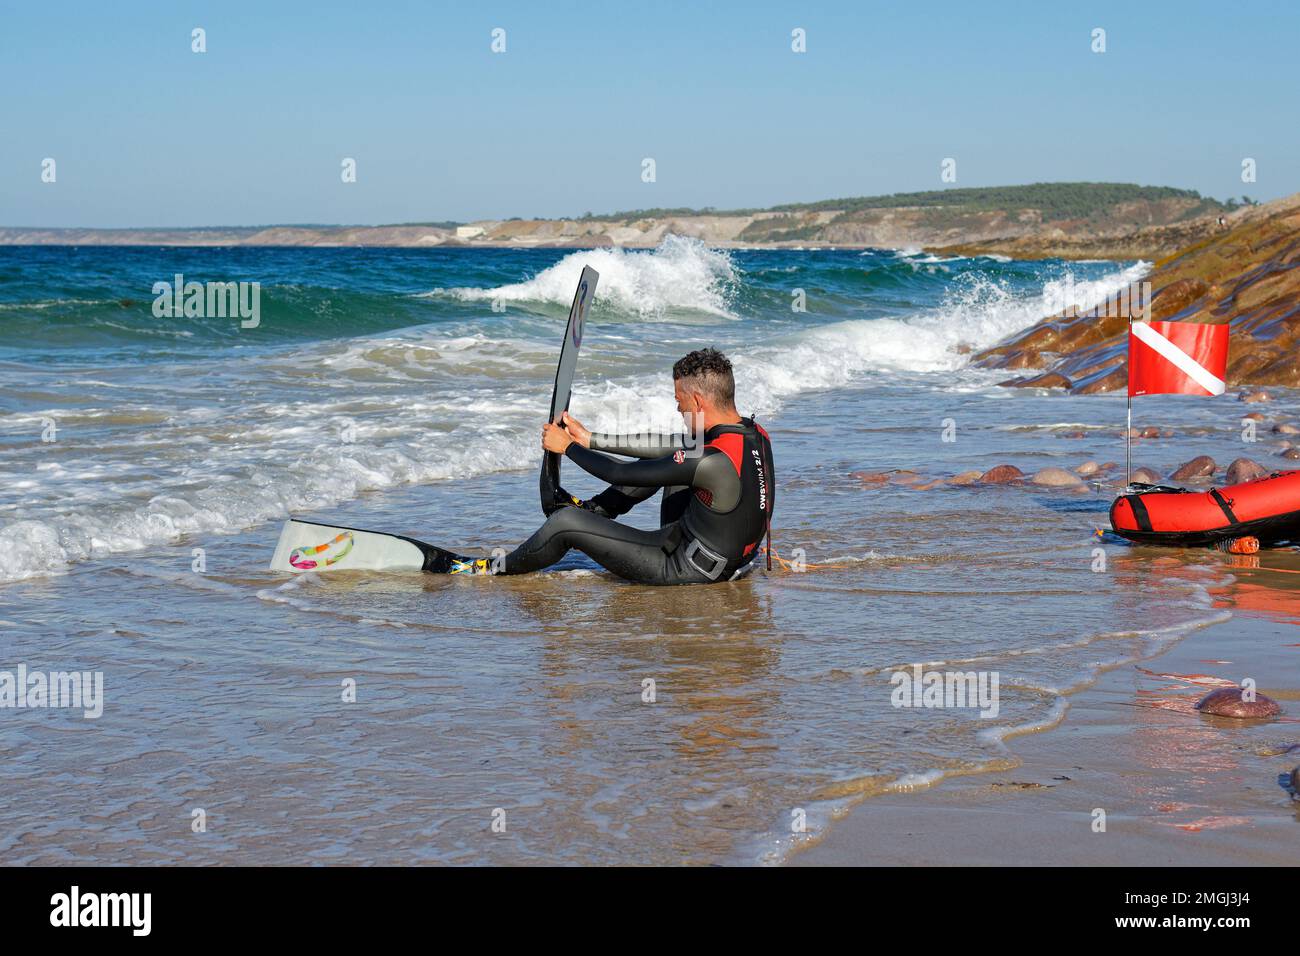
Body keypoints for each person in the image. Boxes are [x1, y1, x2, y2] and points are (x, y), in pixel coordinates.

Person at [451, 348, 774, 584]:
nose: (678, 408)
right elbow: (666, 446)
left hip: (688, 569)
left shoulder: (708, 460)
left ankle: (487, 570)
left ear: (698, 402)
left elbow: (619, 473)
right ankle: (595, 511)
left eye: (679, 401)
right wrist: (591, 439)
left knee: (565, 523)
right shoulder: (753, 435)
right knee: (664, 462)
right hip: (732, 558)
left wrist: (569, 448)